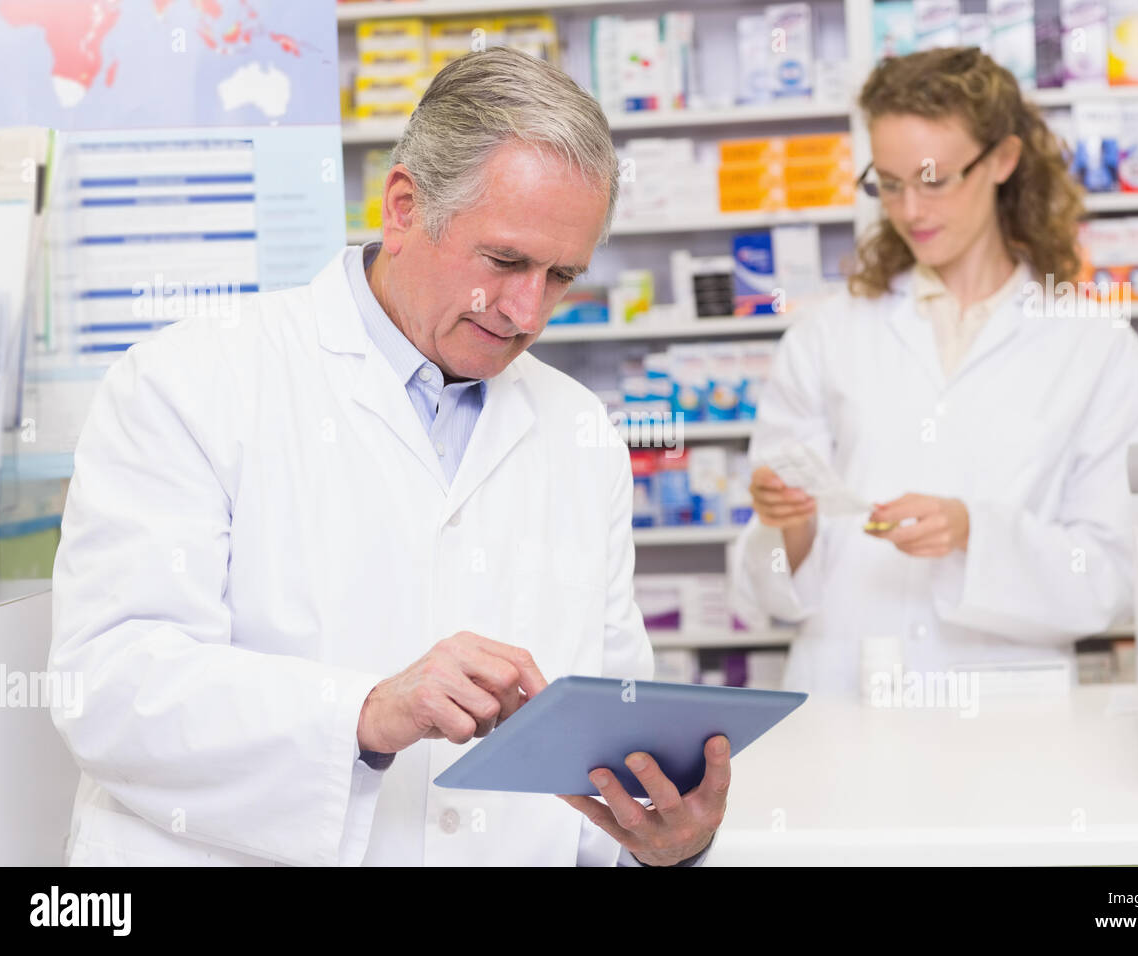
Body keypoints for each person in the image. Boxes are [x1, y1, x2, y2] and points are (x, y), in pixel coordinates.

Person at [50, 47, 727, 867]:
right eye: (505, 261)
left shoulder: (580, 432)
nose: (526, 310)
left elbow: (599, 744)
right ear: (403, 206)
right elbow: (110, 688)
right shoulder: (189, 383)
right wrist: (364, 712)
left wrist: (658, 842)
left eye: (560, 277)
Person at [732, 47, 1138, 695]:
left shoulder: (1097, 348)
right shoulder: (827, 334)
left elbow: (1112, 578)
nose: (910, 211)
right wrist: (790, 524)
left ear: (1003, 160)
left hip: (1007, 715)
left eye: (934, 180)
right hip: (843, 698)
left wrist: (972, 533)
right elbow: (761, 589)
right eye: (891, 184)